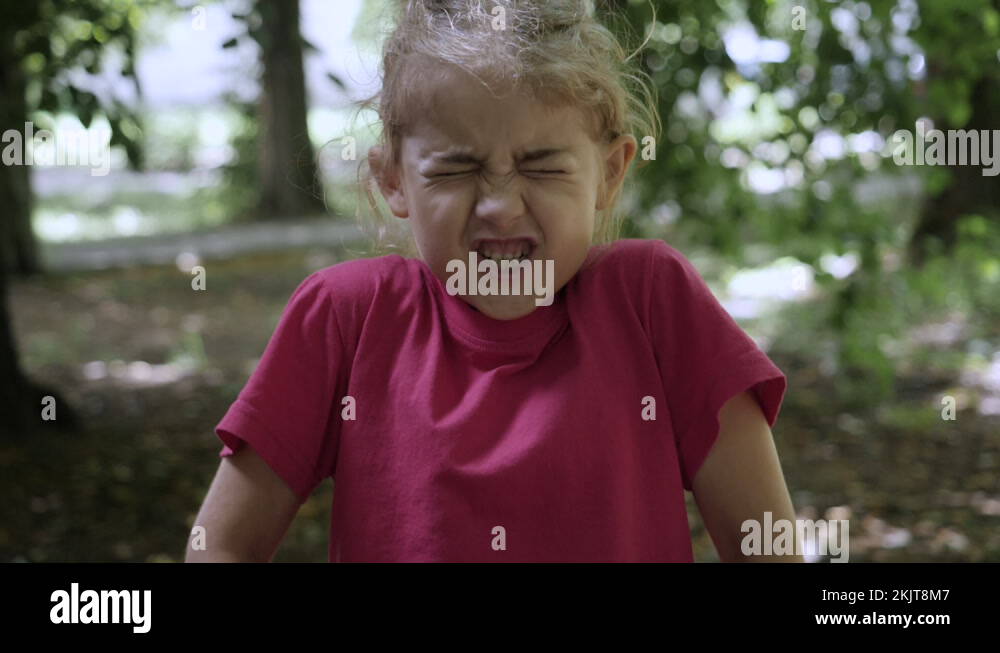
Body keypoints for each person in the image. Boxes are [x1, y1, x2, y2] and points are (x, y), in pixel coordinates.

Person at [186, 0, 801, 563]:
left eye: (543, 166)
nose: (500, 206)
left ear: (610, 174)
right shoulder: (346, 318)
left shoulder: (653, 303)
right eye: (457, 168)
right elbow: (218, 547)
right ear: (394, 178)